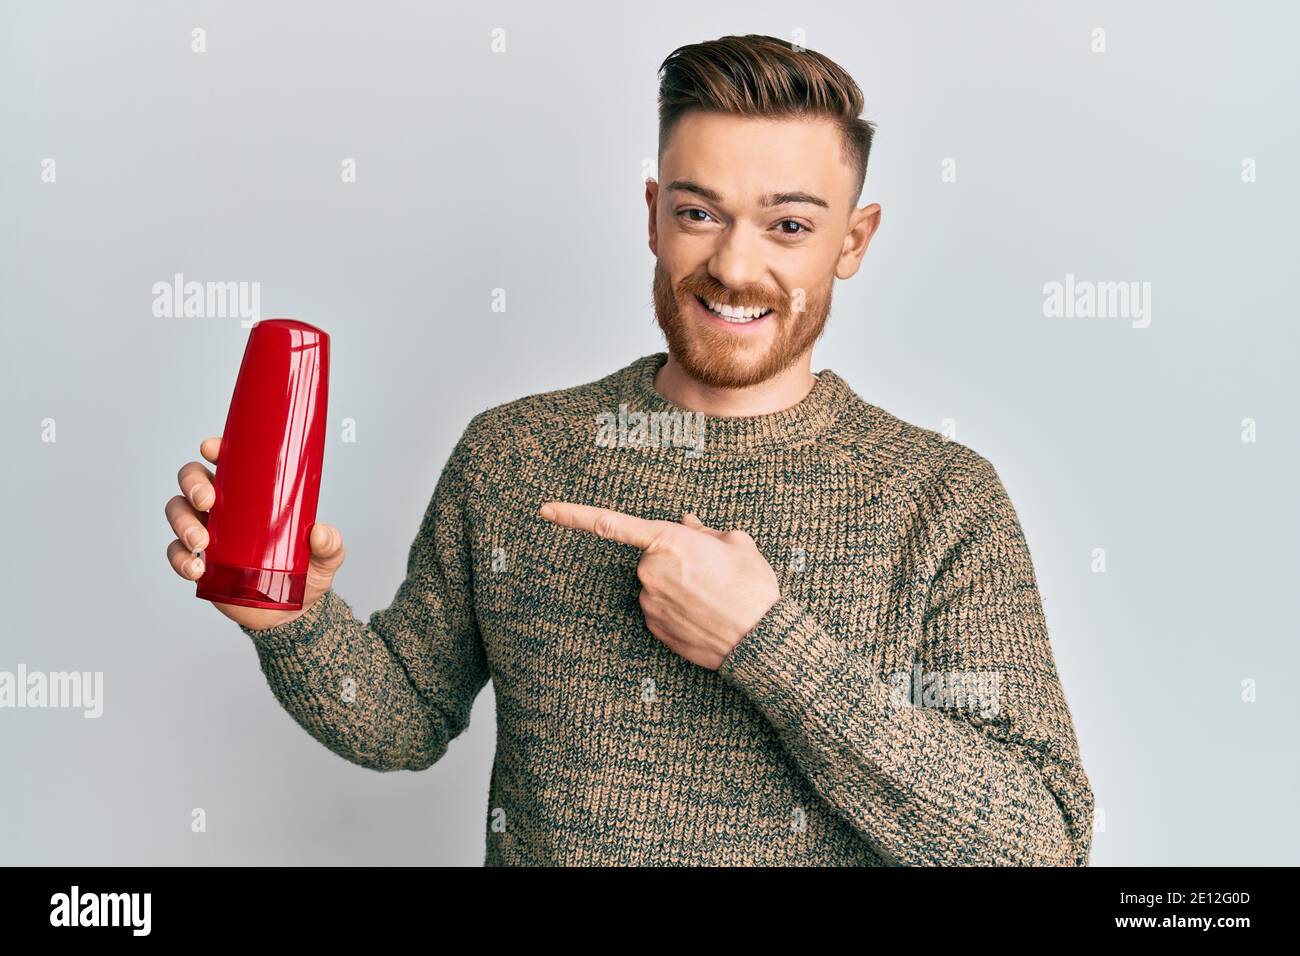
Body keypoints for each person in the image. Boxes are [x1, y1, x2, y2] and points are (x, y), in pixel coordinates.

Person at [164, 34, 1093, 866]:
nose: (734, 265)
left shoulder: (940, 496)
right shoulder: (515, 454)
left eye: (790, 225)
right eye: (699, 213)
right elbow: (404, 717)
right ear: (653, 213)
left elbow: (1038, 844)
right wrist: (293, 623)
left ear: (853, 240)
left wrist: (766, 644)